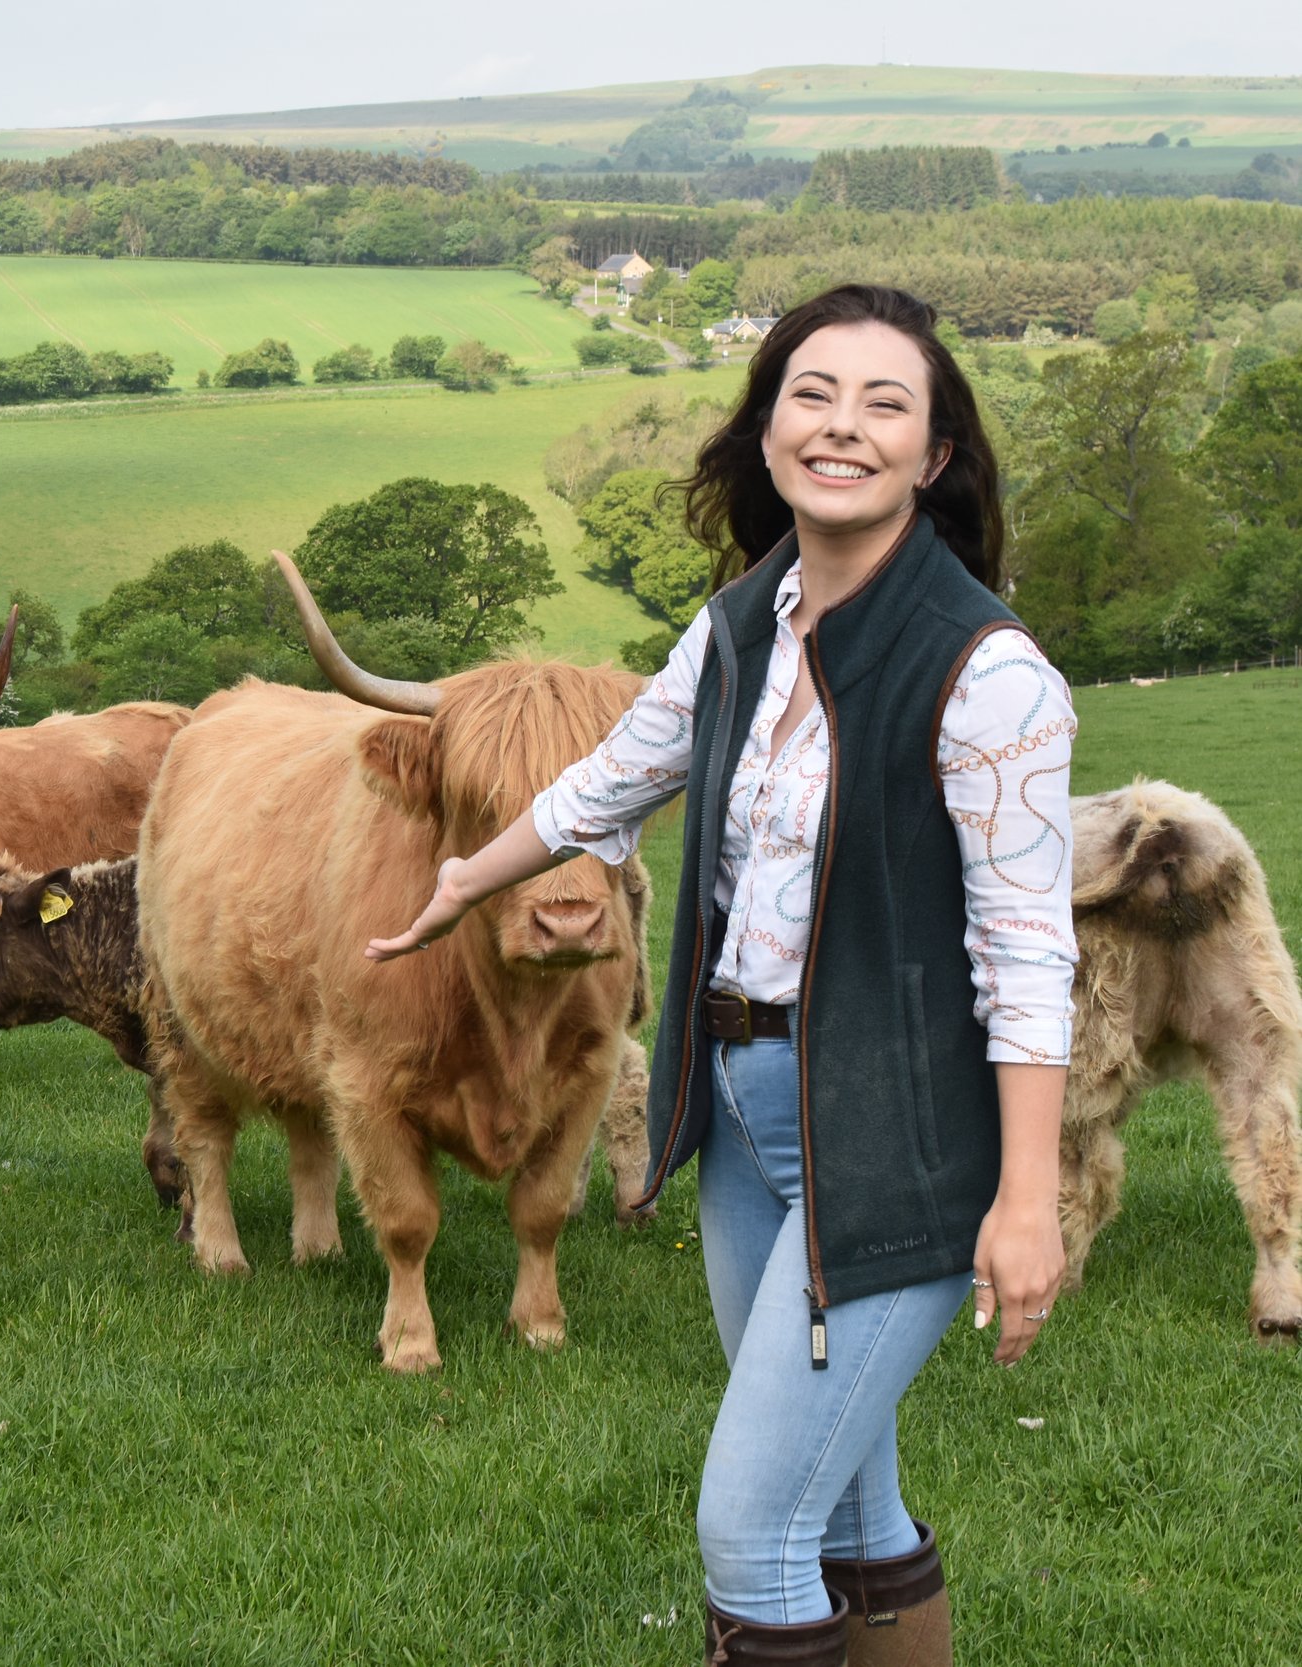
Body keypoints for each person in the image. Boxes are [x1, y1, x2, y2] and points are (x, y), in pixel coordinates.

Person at [363, 285, 1075, 1667]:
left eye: (885, 405)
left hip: (895, 1140)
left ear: (933, 458)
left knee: (751, 1532)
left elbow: (1030, 956)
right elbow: (611, 779)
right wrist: (467, 876)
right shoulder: (744, 625)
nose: (842, 428)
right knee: (852, 1505)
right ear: (766, 432)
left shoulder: (988, 675)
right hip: (748, 1127)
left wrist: (1029, 1203)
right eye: (811, 396)